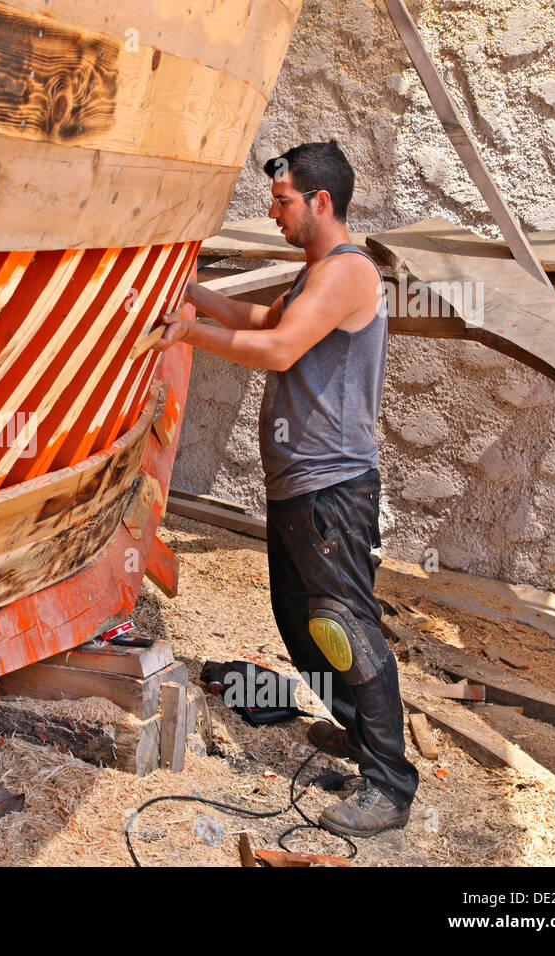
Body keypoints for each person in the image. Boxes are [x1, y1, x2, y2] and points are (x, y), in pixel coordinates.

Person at [151, 140, 418, 838]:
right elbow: (266, 322)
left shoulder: (348, 272)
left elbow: (278, 350)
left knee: (346, 631)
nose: (273, 214)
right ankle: (362, 738)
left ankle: (390, 786)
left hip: (332, 489)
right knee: (304, 629)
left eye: (282, 201)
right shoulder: (314, 275)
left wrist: (185, 331)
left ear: (320, 202)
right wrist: (192, 293)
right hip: (299, 487)